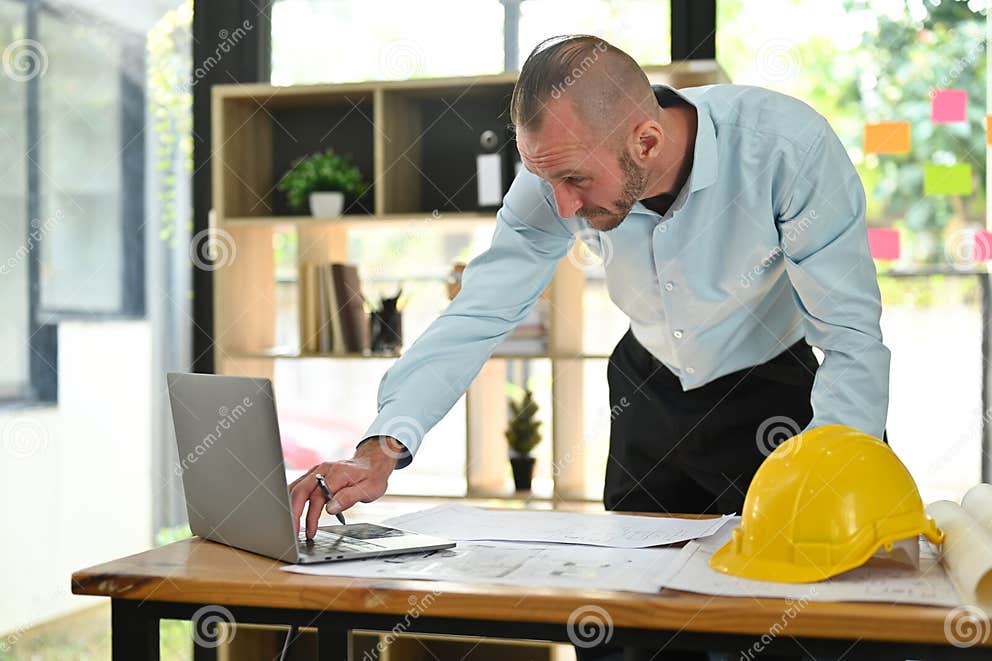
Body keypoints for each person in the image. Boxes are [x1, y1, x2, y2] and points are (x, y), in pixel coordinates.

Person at [290, 34, 890, 661]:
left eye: (574, 179)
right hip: (647, 392)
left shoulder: (787, 148)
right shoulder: (558, 170)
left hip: (774, 395)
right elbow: (479, 309)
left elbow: (850, 334)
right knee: (628, 630)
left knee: (792, 627)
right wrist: (382, 447)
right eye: (545, 178)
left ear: (646, 141)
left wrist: (838, 471)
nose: (562, 205)